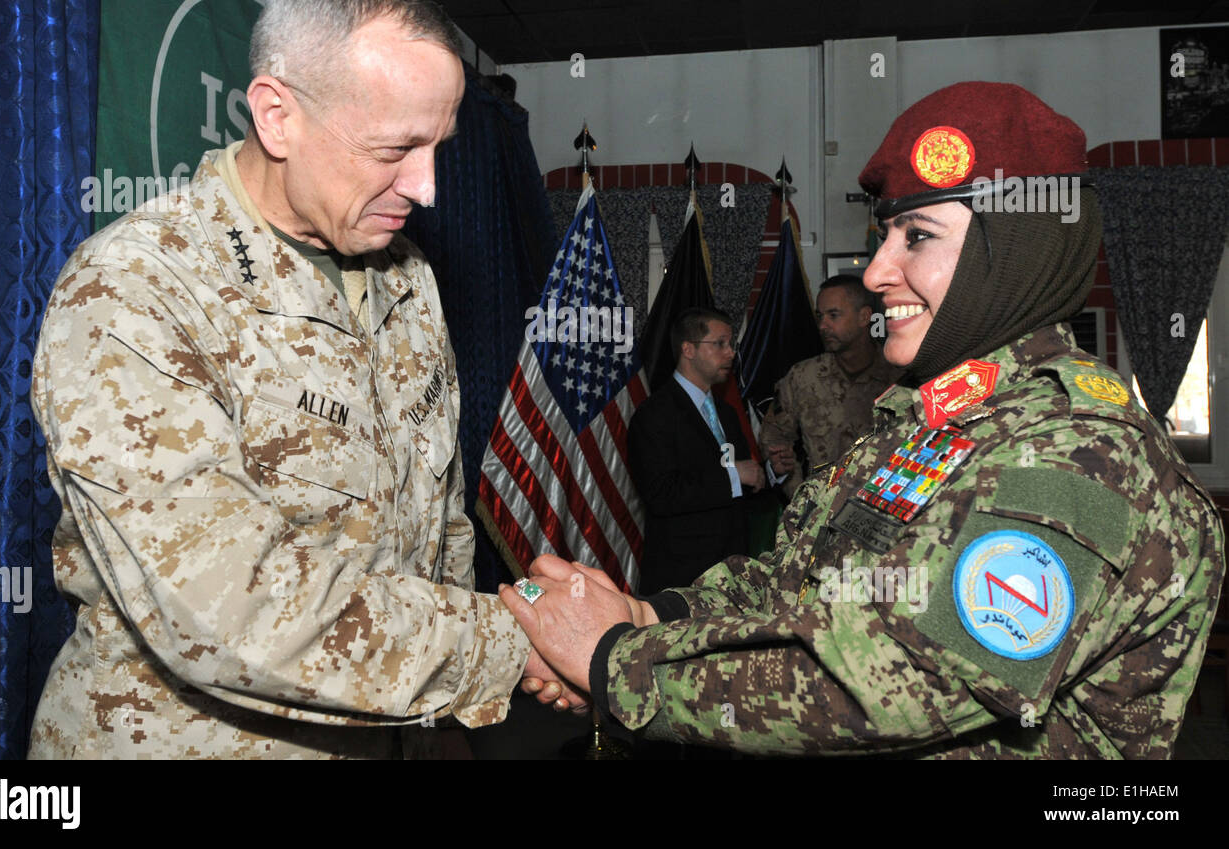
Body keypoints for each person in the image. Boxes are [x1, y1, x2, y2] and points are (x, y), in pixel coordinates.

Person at [503, 81, 1225, 758]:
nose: (876, 273)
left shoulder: (1080, 449)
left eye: (917, 236)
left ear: (1015, 253)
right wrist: (649, 615)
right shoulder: (929, 419)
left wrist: (614, 662)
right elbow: (802, 584)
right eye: (885, 235)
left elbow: (896, 681)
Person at [28, 0, 569, 758]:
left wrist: (520, 622)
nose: (425, 188)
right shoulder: (135, 289)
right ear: (277, 117)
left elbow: (439, 531)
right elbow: (227, 607)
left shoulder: (406, 277)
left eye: (437, 148)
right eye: (394, 148)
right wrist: (524, 640)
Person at [627, 308, 764, 593]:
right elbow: (661, 494)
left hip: (732, 574)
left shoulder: (725, 412)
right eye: (720, 344)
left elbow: (739, 490)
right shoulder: (655, 414)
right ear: (688, 349)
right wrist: (733, 475)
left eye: (731, 345)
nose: (730, 354)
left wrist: (770, 472)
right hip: (682, 579)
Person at [760, 275, 897, 499]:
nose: (823, 325)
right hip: (820, 514)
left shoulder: (899, 377)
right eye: (820, 316)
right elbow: (774, 437)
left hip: (885, 510)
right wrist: (799, 496)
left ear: (864, 317)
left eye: (834, 315)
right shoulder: (803, 377)